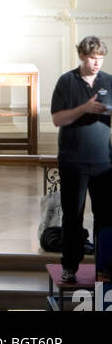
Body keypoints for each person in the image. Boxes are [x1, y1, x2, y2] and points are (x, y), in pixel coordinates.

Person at [50, 36, 112, 284]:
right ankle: (70, 267)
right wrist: (83, 109)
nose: (97, 63)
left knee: (106, 217)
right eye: (92, 58)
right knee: (73, 216)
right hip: (73, 160)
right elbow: (58, 119)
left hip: (104, 161)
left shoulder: (108, 81)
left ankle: (105, 265)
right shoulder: (67, 81)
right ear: (82, 57)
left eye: (100, 58)